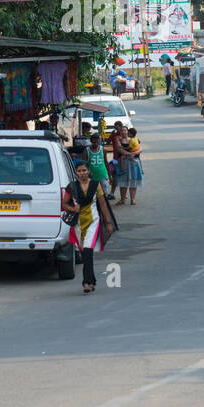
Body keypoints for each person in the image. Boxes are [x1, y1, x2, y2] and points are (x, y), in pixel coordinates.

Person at [62, 160, 116, 294]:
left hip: (93, 221)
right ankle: (92, 281)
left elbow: (103, 204)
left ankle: (86, 282)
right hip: (79, 224)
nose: (82, 173)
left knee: (88, 250)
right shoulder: (72, 187)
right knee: (85, 252)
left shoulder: (95, 185)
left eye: (84, 170)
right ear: (76, 172)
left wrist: (108, 223)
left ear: (88, 171)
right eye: (79, 171)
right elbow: (64, 204)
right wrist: (73, 208)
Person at [112, 123, 142, 206]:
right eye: (121, 130)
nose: (123, 132)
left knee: (133, 180)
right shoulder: (118, 140)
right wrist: (130, 154)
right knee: (123, 181)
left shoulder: (133, 139)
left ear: (127, 131)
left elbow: (140, 148)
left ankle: (133, 199)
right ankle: (122, 199)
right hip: (124, 162)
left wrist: (135, 153)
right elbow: (119, 149)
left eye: (125, 130)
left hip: (133, 162)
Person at [85, 131, 112, 197]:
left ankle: (104, 205)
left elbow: (106, 162)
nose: (95, 144)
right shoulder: (86, 151)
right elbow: (84, 164)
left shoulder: (102, 150)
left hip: (103, 174)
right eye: (94, 142)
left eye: (97, 142)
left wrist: (109, 175)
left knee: (104, 193)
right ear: (91, 141)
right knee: (93, 194)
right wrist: (87, 174)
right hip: (92, 176)